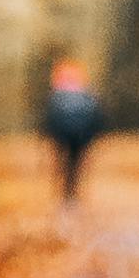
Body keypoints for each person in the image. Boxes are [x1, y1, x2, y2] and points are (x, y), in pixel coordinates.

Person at [41, 53, 106, 208]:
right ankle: (72, 192)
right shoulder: (86, 93)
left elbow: (50, 116)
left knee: (63, 163)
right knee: (75, 164)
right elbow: (97, 116)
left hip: (62, 135)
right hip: (80, 136)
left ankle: (65, 191)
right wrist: (94, 135)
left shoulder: (58, 94)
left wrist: (48, 134)